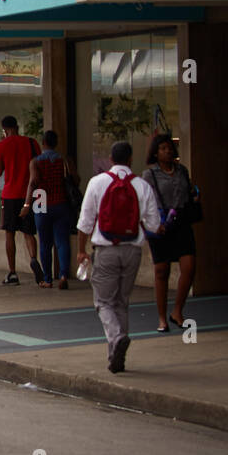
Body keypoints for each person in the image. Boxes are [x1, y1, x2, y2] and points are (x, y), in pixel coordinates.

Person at [76, 141, 161, 373]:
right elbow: (154, 224)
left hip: (105, 250)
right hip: (132, 250)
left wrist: (81, 250)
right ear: (130, 160)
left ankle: (116, 338)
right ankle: (116, 355)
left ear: (111, 159)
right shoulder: (142, 186)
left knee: (103, 302)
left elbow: (85, 222)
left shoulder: (97, 183)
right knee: (122, 302)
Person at [142, 134, 197, 333]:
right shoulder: (149, 175)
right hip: (161, 223)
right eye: (163, 148)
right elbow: (146, 201)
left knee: (189, 267)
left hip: (181, 222)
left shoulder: (182, 170)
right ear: (156, 153)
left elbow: (188, 193)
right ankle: (161, 318)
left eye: (170, 148)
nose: (168, 151)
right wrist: (150, 224)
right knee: (161, 271)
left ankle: (177, 311)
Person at [24, 130, 78, 289]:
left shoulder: (36, 162)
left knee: (45, 243)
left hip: (41, 204)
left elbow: (33, 182)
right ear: (56, 143)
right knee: (62, 241)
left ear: (43, 143)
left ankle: (47, 279)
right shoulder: (64, 161)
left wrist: (27, 205)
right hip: (61, 203)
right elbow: (76, 179)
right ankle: (63, 274)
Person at [0, 115, 42, 285]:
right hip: (29, 194)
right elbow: (38, 165)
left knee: (10, 233)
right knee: (29, 232)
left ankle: (12, 272)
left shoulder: (1, 145)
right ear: (17, 126)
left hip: (10, 195)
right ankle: (34, 259)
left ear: (5, 129)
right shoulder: (32, 143)